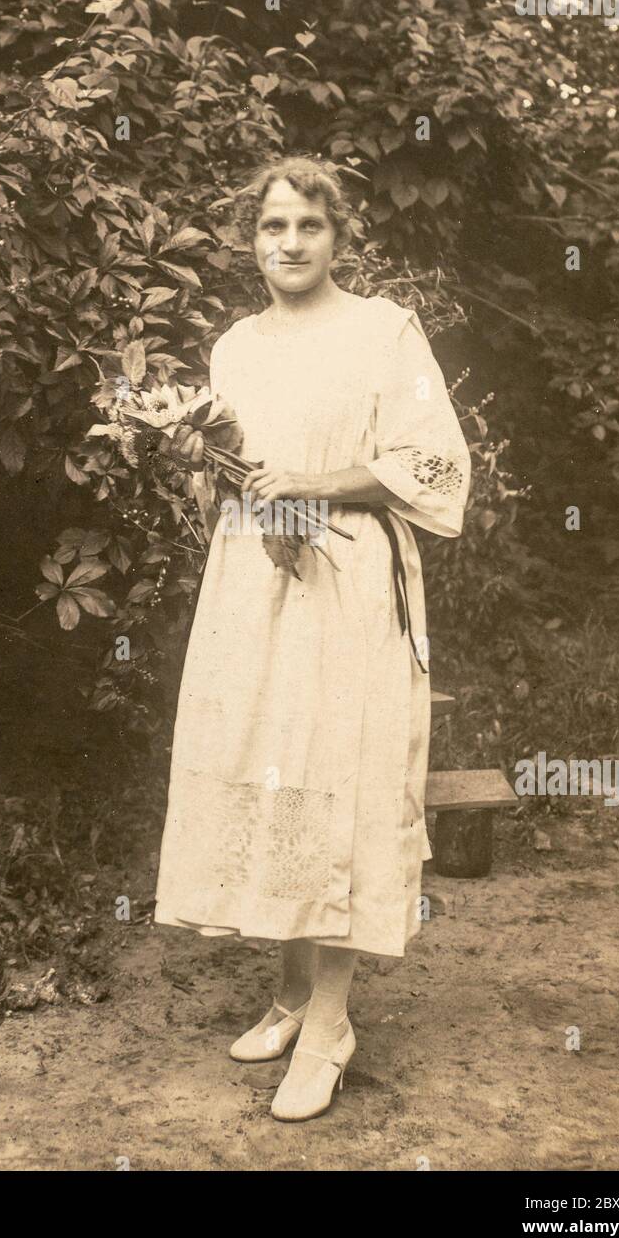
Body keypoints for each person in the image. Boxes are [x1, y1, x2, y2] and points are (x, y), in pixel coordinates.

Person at [154, 155, 472, 1121]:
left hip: (349, 583)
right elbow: (235, 473)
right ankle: (292, 993)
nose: (288, 245)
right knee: (274, 777)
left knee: (339, 780)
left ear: (340, 237)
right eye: (271, 229)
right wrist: (193, 456)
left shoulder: (383, 332)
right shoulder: (236, 346)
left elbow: (433, 459)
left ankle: (332, 1019)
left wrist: (313, 483)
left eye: (308, 228)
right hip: (254, 582)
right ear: (250, 241)